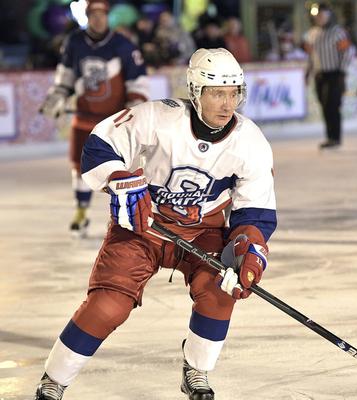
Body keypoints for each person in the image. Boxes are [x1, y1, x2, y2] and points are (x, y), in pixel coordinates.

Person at [32, 47, 277, 400]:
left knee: (221, 290)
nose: (227, 104)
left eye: (234, 93)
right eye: (217, 93)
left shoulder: (250, 141)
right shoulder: (158, 117)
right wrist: (119, 179)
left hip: (203, 231)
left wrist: (248, 249)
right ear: (195, 91)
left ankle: (196, 370)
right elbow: (99, 146)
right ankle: (54, 379)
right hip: (142, 226)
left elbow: (255, 213)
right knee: (108, 303)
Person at [39, 0, 149, 237]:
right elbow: (66, 76)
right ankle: (81, 211)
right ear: (87, 15)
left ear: (108, 16)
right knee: (79, 167)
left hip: (114, 123)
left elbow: (138, 80)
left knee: (124, 171)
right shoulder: (75, 42)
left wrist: (133, 108)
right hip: (85, 116)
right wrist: (57, 96)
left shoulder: (123, 45)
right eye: (93, 14)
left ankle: (128, 216)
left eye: (102, 14)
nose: (98, 18)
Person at [303, 2, 354, 150]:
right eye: (317, 15)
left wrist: (342, 72)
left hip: (334, 74)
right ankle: (330, 137)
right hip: (319, 75)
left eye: (322, 15)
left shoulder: (338, 32)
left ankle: (335, 138)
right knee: (324, 105)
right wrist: (308, 72)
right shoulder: (311, 33)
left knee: (332, 105)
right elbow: (311, 56)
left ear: (328, 15)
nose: (319, 18)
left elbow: (347, 52)